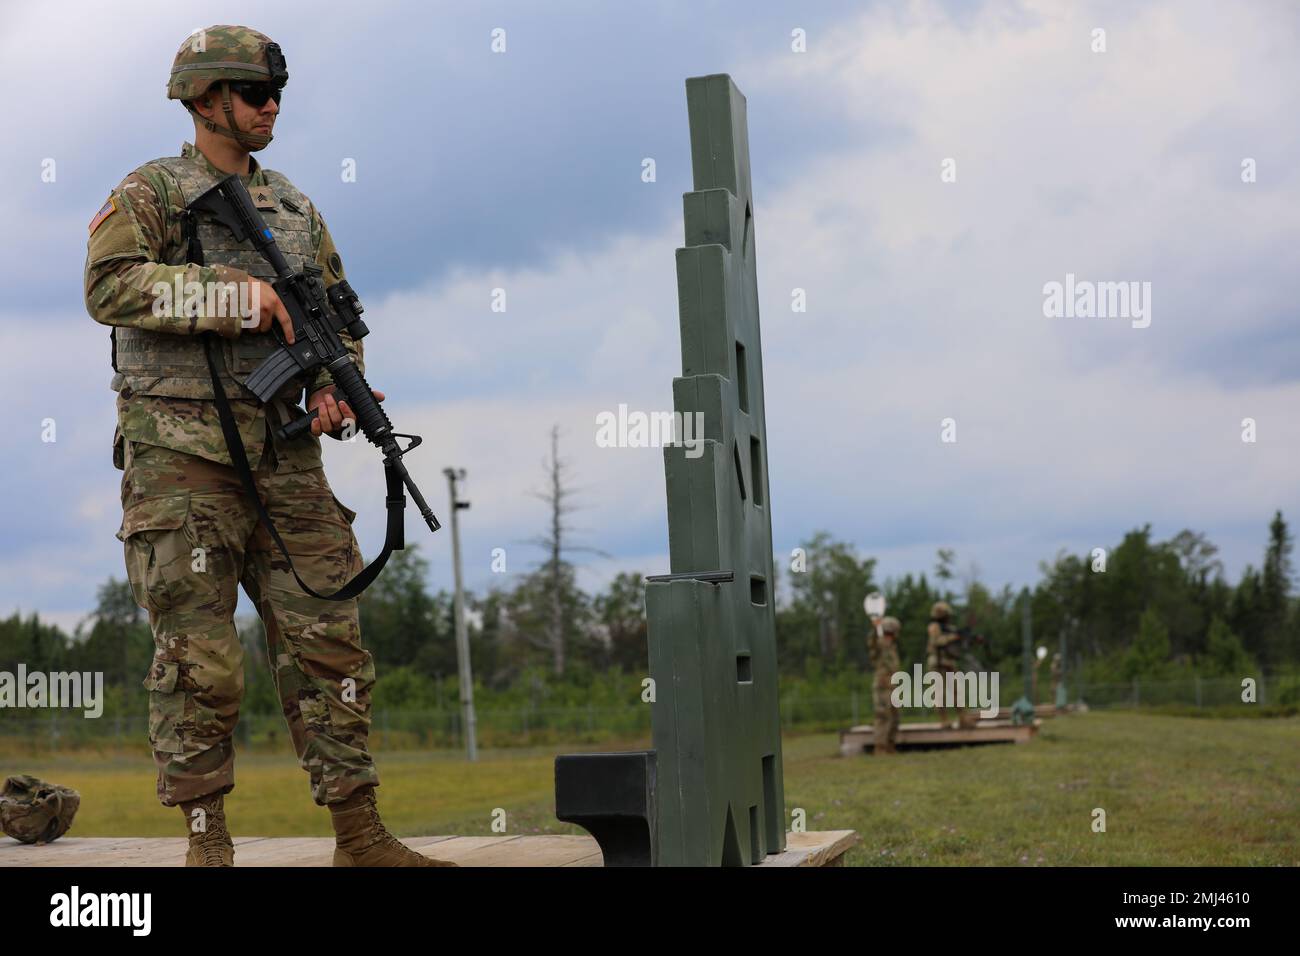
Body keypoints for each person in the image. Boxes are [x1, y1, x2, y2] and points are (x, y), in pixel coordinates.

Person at [84, 24, 453, 867]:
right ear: (206, 99)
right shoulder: (154, 191)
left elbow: (335, 317)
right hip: (183, 465)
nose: (271, 105)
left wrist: (333, 386)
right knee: (199, 662)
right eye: (255, 92)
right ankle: (208, 844)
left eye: (278, 91)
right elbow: (107, 285)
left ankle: (360, 835)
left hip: (286, 459)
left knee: (332, 645)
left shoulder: (293, 206)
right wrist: (235, 293)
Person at [867, 616, 902, 754]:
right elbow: (872, 643)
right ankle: (880, 748)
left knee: (895, 717)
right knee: (883, 716)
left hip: (893, 685)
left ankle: (890, 745)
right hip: (882, 685)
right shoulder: (879, 644)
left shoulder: (892, 647)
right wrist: (876, 629)